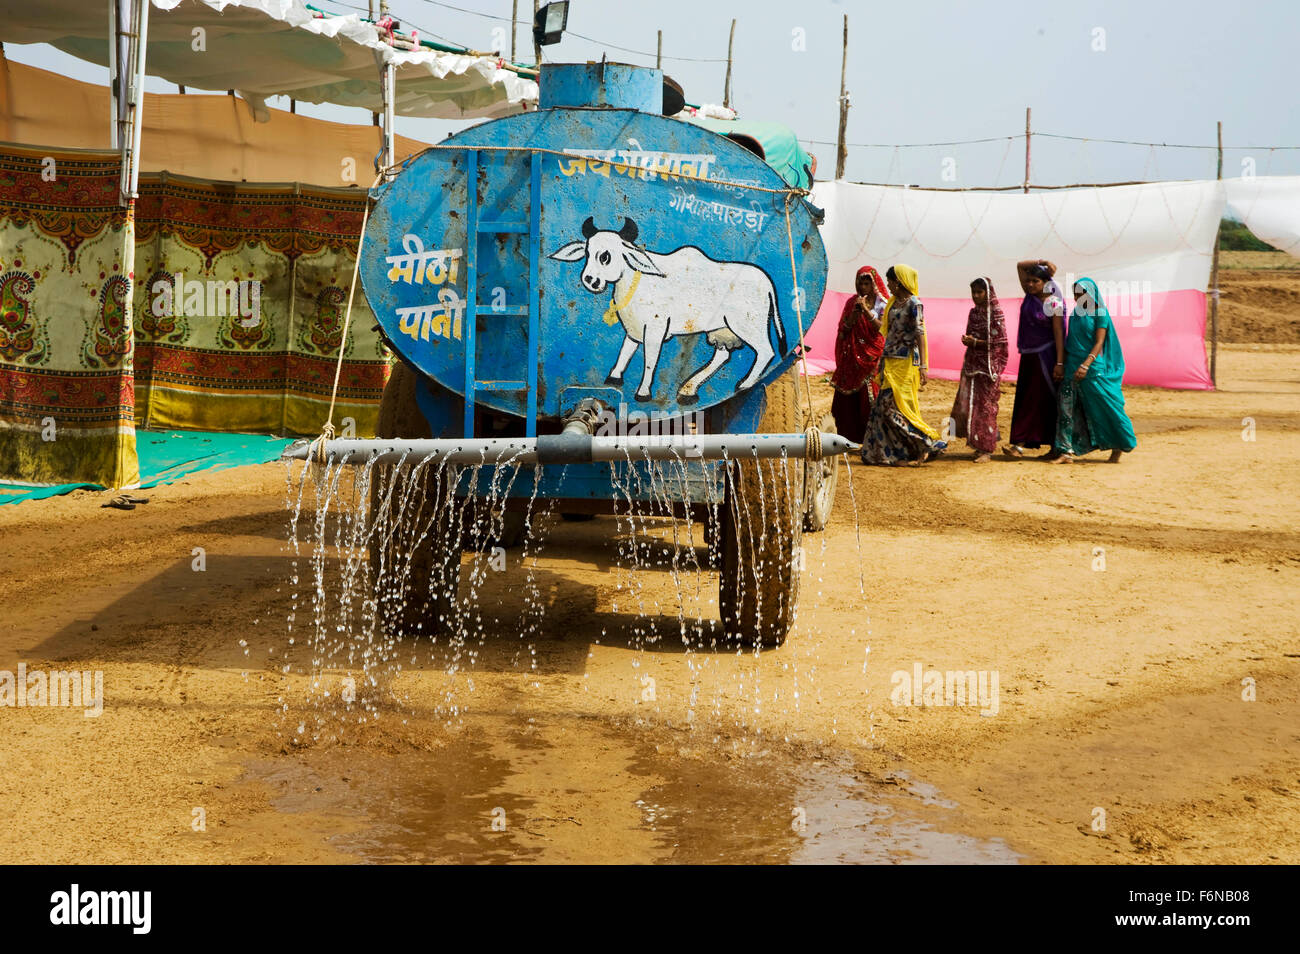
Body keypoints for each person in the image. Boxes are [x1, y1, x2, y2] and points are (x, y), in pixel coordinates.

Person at [860, 265, 946, 465]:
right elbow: (883, 328)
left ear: (898, 281)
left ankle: (924, 445)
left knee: (895, 408)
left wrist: (924, 366)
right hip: (889, 360)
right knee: (881, 408)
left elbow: (920, 334)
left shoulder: (914, 303)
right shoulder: (893, 302)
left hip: (906, 363)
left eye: (890, 281)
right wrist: (865, 311)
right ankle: (887, 454)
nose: (888, 285)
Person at [1052, 277, 1137, 463]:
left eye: (1081, 293)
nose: (1077, 297)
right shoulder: (1075, 313)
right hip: (1072, 366)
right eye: (1075, 294)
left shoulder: (1100, 313)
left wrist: (1085, 365)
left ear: (1091, 294)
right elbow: (1070, 340)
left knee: (1105, 407)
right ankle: (1066, 450)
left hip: (1091, 369)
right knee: (1066, 408)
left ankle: (1120, 444)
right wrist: (1062, 363)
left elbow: (1099, 342)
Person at [1004, 259, 1067, 459]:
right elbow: (1020, 266)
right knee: (1027, 398)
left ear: (1045, 283)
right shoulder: (1029, 296)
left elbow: (1059, 333)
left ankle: (1030, 445)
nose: (1030, 284)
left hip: (1046, 357)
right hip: (1029, 357)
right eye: (1028, 281)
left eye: (1035, 281)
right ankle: (1022, 442)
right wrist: (1042, 262)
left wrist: (1059, 363)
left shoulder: (1054, 302)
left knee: (1042, 399)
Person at [950, 277, 1009, 462]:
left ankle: (987, 449)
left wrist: (975, 342)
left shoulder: (996, 313)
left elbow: (1000, 342)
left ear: (988, 292)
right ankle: (977, 444)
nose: (976, 296)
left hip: (989, 367)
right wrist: (969, 340)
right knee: (971, 406)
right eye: (973, 292)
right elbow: (971, 334)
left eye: (979, 292)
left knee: (985, 407)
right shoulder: (973, 313)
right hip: (973, 364)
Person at [830, 265, 887, 443]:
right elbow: (844, 330)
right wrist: (855, 314)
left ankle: (871, 438)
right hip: (852, 357)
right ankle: (848, 436)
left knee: (869, 396)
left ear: (874, 285)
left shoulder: (882, 304)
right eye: (860, 283)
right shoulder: (851, 303)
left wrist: (867, 312)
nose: (863, 287)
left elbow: (883, 329)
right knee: (847, 398)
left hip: (871, 356)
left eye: (866, 284)